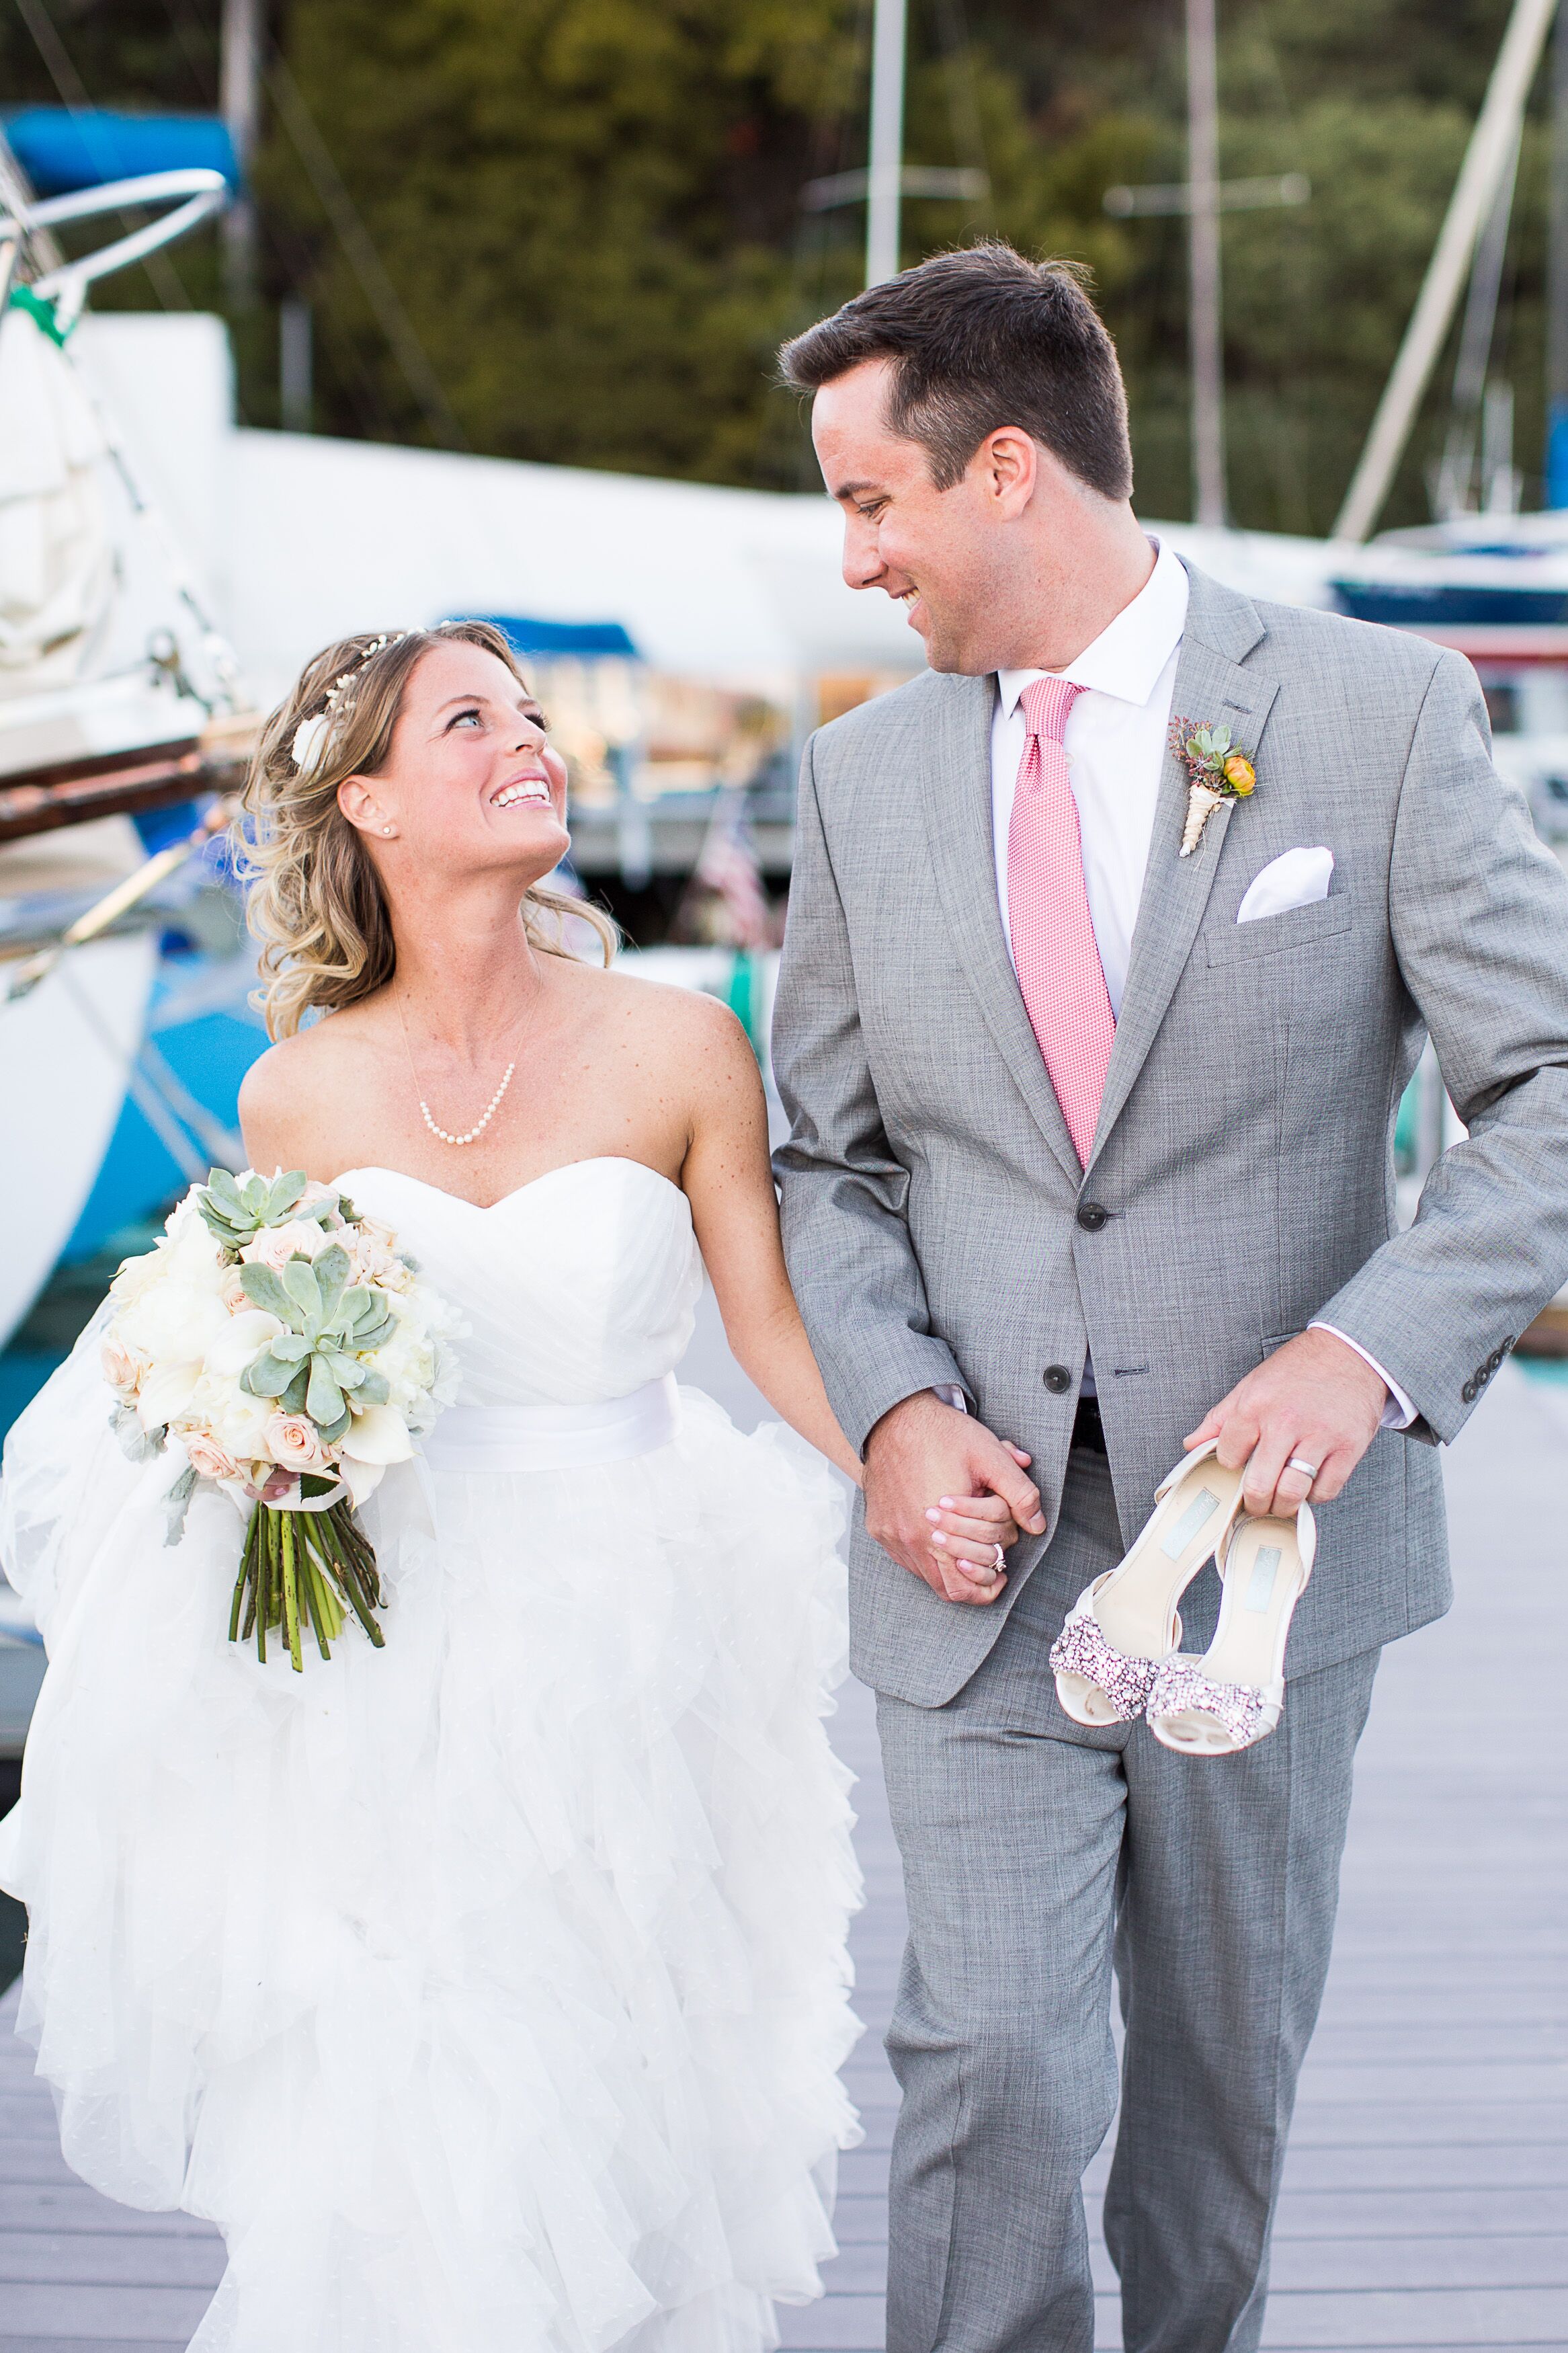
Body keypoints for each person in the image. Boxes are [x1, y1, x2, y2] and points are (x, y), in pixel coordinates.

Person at [0, 620, 1020, 2353]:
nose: (528, 739)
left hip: (643, 1624)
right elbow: (263, 1349)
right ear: (373, 803)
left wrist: (903, 1467)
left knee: (621, 2076)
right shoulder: (294, 1095)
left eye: (533, 714)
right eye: (471, 719)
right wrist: (260, 1439)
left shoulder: (684, 1042)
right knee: (408, 2088)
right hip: (382, 1647)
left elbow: (771, 1330)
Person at [770, 243, 1568, 2353]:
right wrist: (890, 1410)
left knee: (1218, 2104)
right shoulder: (859, 780)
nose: (854, 559)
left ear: (1006, 468)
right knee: (995, 2064)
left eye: (871, 501)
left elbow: (1548, 1092)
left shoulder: (1380, 714)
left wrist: (1371, 1345)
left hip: (1270, 1572)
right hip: (980, 1555)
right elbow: (826, 1162)